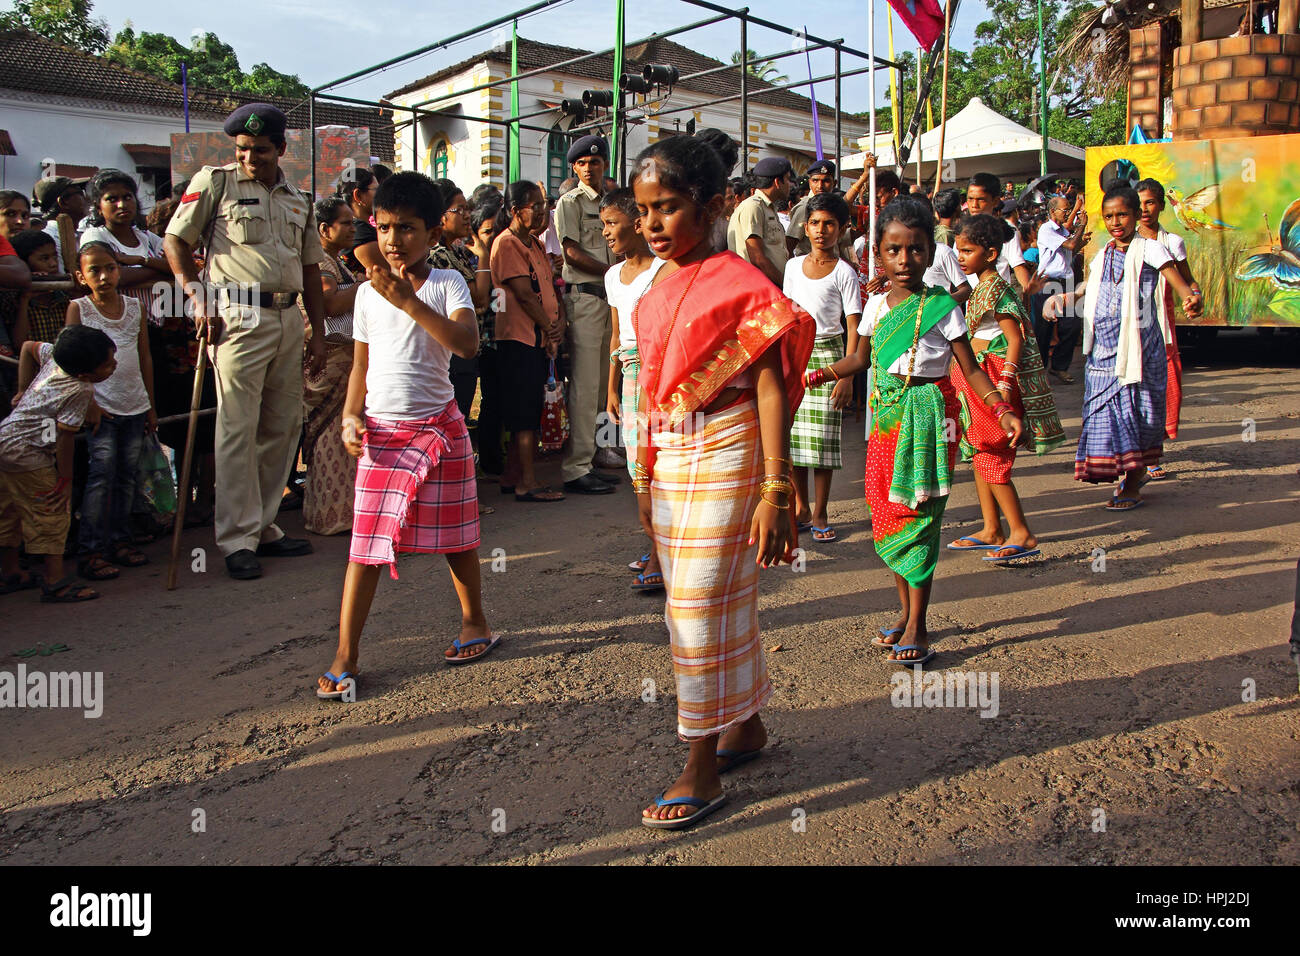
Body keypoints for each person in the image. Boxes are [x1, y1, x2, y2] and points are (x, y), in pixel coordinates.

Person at [632, 133, 815, 830]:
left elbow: (770, 386)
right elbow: (649, 388)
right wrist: (644, 473)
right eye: (644, 209)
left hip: (733, 445)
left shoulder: (742, 284)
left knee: (697, 605)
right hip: (672, 456)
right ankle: (747, 725)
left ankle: (700, 766)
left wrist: (776, 490)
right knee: (719, 597)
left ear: (710, 206)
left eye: (668, 207)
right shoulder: (652, 289)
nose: (653, 223)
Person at [809, 198, 1024, 666]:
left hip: (930, 422)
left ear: (931, 252)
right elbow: (859, 359)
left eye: (916, 249)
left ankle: (919, 625)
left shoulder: (943, 307)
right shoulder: (874, 306)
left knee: (919, 517)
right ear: (879, 254)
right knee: (888, 515)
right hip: (886, 421)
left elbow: (971, 369)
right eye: (894, 250)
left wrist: (1000, 408)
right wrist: (816, 375)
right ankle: (905, 613)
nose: (905, 259)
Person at [318, 171, 494, 700]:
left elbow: (466, 344)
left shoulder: (447, 284)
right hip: (383, 435)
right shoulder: (366, 295)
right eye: (385, 227)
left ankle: (475, 620)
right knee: (366, 546)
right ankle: (346, 654)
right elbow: (361, 366)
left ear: (433, 234)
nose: (394, 240)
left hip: (440, 428)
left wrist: (409, 302)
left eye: (408, 228)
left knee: (457, 538)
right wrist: (351, 416)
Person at [164, 103, 328, 580]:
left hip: (288, 316)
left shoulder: (299, 198)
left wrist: (318, 332)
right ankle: (236, 538)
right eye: (242, 149)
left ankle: (263, 526)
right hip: (236, 315)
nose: (250, 158)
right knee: (237, 427)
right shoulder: (215, 183)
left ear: (281, 148)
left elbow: (311, 268)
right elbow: (175, 241)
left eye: (260, 150)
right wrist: (196, 296)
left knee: (282, 426)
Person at [1046, 182, 1202, 509]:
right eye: (1109, 216)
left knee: (1137, 411)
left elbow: (1179, 283)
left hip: (1139, 349)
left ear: (1135, 215)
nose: (1115, 222)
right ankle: (1126, 472)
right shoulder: (1104, 252)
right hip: (1103, 350)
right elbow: (1091, 285)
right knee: (1104, 412)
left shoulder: (1152, 249)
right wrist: (1067, 296)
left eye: (1122, 215)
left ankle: (1132, 481)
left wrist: (1191, 298)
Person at [948, 214, 1064, 562]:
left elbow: (1015, 339)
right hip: (977, 379)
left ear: (990, 254)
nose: (960, 257)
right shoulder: (981, 287)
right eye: (958, 250)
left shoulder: (997, 289)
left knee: (991, 453)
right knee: (979, 452)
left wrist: (1004, 385)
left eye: (967, 251)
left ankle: (1021, 532)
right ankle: (991, 529)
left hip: (992, 380)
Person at [0, 326, 117, 602]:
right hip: (28, 453)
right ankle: (55, 582)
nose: (114, 365)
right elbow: (65, 439)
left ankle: (10, 571)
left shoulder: (57, 356)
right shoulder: (80, 389)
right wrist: (65, 481)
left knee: (9, 511)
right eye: (107, 364)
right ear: (85, 375)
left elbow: (28, 347)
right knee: (52, 511)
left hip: (5, 439)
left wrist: (22, 390)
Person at [65, 241, 158, 580]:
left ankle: (120, 541)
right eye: (95, 270)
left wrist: (150, 406)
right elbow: (71, 364)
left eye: (110, 268)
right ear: (81, 276)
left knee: (126, 478)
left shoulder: (135, 307)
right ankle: (90, 551)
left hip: (134, 404)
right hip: (100, 408)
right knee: (100, 478)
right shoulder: (79, 309)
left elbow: (144, 356)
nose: (104, 276)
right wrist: (88, 403)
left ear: (119, 270)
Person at [783, 193, 862, 543]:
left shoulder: (845, 272)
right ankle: (801, 507)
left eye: (829, 224)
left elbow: (854, 326)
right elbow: (787, 314)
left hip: (831, 357)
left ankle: (820, 512)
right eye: (815, 223)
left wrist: (847, 375)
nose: (821, 230)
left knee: (824, 443)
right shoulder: (792, 266)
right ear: (805, 227)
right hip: (796, 355)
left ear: (841, 229)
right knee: (796, 440)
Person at [600, 187, 665, 591]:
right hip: (628, 376)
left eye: (612, 223)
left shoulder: (663, 271)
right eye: (603, 225)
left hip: (658, 374)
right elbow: (615, 336)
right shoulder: (612, 275)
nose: (606, 232)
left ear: (637, 224)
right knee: (636, 466)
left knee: (656, 462)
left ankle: (660, 552)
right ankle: (657, 542)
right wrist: (611, 388)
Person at [554, 135, 619, 495]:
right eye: (582, 163)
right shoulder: (570, 203)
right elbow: (571, 252)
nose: (589, 168)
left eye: (595, 162)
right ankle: (576, 466)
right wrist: (613, 273)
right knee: (585, 386)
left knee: (607, 384)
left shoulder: (612, 202)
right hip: (586, 298)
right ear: (574, 168)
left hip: (610, 299)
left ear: (604, 164)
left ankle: (598, 454)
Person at [491, 181, 564, 503]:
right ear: (515, 210)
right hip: (518, 337)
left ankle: (513, 476)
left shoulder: (533, 243)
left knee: (531, 406)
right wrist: (548, 328)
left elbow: (549, 289)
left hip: (538, 337)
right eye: (535, 206)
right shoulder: (508, 244)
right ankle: (528, 483)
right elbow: (523, 293)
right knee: (524, 412)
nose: (542, 211)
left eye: (544, 205)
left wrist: (556, 325)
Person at [301, 196, 360, 536]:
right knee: (329, 436)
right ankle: (331, 516)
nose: (353, 229)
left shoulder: (335, 261)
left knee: (338, 436)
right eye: (346, 223)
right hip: (331, 358)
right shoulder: (322, 261)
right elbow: (329, 303)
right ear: (324, 229)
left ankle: (338, 513)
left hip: (341, 359)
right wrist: (365, 285)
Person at [1136, 178, 1198, 480]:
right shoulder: (1125, 243)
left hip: (1163, 330)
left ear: (1161, 205)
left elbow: (1188, 280)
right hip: (1132, 330)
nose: (1145, 209)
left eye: (1150, 202)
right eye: (1139, 203)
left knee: (1162, 393)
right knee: (1135, 394)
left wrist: (1193, 297)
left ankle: (1152, 452)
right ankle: (1137, 456)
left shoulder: (1172, 242)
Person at [430, 179, 492, 422]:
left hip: (463, 352)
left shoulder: (454, 252)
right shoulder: (439, 255)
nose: (467, 216)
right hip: (451, 354)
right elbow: (480, 298)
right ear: (441, 216)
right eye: (459, 210)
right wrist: (484, 256)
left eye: (468, 209)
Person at [79, 169, 171, 326]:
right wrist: (158, 269)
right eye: (112, 199)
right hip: (116, 327)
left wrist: (141, 260)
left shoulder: (146, 237)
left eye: (127, 197)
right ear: (98, 207)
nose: (122, 204)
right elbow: (117, 277)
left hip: (153, 326)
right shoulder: (95, 237)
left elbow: (176, 265)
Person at [1034, 194, 1090, 383]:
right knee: (1044, 329)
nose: (1067, 213)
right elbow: (1071, 245)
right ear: (1052, 211)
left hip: (1065, 281)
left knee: (1072, 326)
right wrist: (1081, 225)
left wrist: (1082, 239)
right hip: (1048, 282)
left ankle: (1059, 366)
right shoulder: (1046, 230)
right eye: (1065, 210)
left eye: (1068, 209)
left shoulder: (1063, 231)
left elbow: (1071, 249)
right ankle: (1040, 370)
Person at [467, 201, 504, 475]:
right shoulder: (470, 262)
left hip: (498, 338)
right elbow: (481, 302)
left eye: (496, 231)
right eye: (487, 231)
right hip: (475, 341)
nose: (493, 237)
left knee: (494, 400)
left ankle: (493, 459)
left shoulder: (503, 256)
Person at [727, 156, 793, 285]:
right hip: (759, 287)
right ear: (777, 182)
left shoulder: (768, 207)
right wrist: (784, 287)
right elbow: (757, 258)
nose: (790, 185)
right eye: (787, 179)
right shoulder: (753, 207)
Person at [966, 172, 1033, 292]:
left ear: (995, 201)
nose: (974, 205)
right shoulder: (963, 230)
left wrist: (1028, 291)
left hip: (998, 298)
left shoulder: (1004, 230)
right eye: (970, 199)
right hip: (972, 301)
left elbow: (1018, 266)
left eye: (981, 199)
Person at [785, 160, 855, 261]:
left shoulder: (833, 205)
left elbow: (837, 244)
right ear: (810, 182)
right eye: (815, 180)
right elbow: (789, 244)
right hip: (810, 265)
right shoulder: (805, 207)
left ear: (834, 183)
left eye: (826, 181)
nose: (820, 186)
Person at [6, 230, 67, 345]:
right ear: (23, 264)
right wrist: (24, 299)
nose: (53, 264)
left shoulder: (64, 295)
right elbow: (20, 344)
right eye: (44, 258)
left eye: (55, 256)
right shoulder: (13, 298)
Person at [34, 176, 88, 272]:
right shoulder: (51, 239)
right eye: (81, 193)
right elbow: (63, 276)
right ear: (63, 202)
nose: (86, 198)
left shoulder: (78, 233)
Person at [339, 166, 382, 274]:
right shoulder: (360, 231)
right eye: (376, 190)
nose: (381, 195)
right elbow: (386, 275)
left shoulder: (356, 227)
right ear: (358, 195)